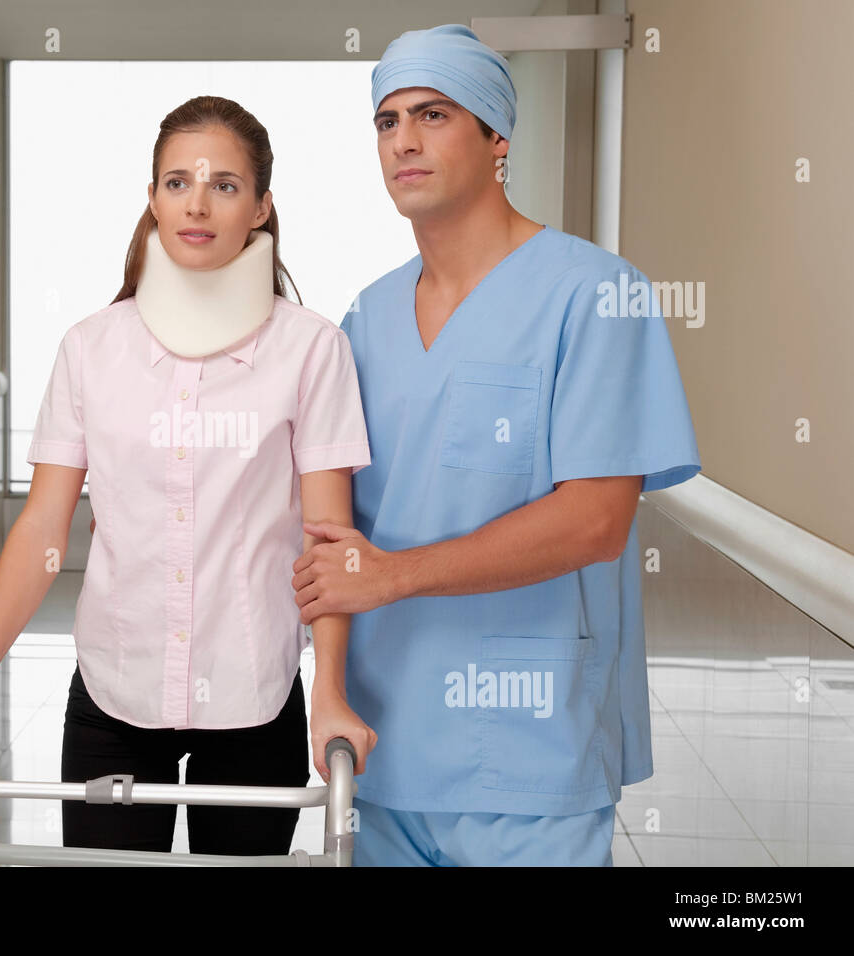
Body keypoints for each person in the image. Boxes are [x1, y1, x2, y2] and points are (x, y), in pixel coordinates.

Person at [0, 95, 377, 856]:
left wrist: (328, 690)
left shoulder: (311, 350)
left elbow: (329, 543)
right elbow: (41, 531)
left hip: (255, 699)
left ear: (261, 206)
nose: (197, 203)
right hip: (114, 696)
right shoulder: (92, 348)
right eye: (176, 182)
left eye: (225, 185)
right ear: (152, 197)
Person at [291, 24, 701, 866]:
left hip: (529, 754)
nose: (403, 139)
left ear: (496, 137)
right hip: (379, 746)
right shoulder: (364, 319)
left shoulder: (595, 295)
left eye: (434, 115)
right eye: (387, 120)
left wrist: (396, 575)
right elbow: (332, 526)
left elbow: (594, 522)